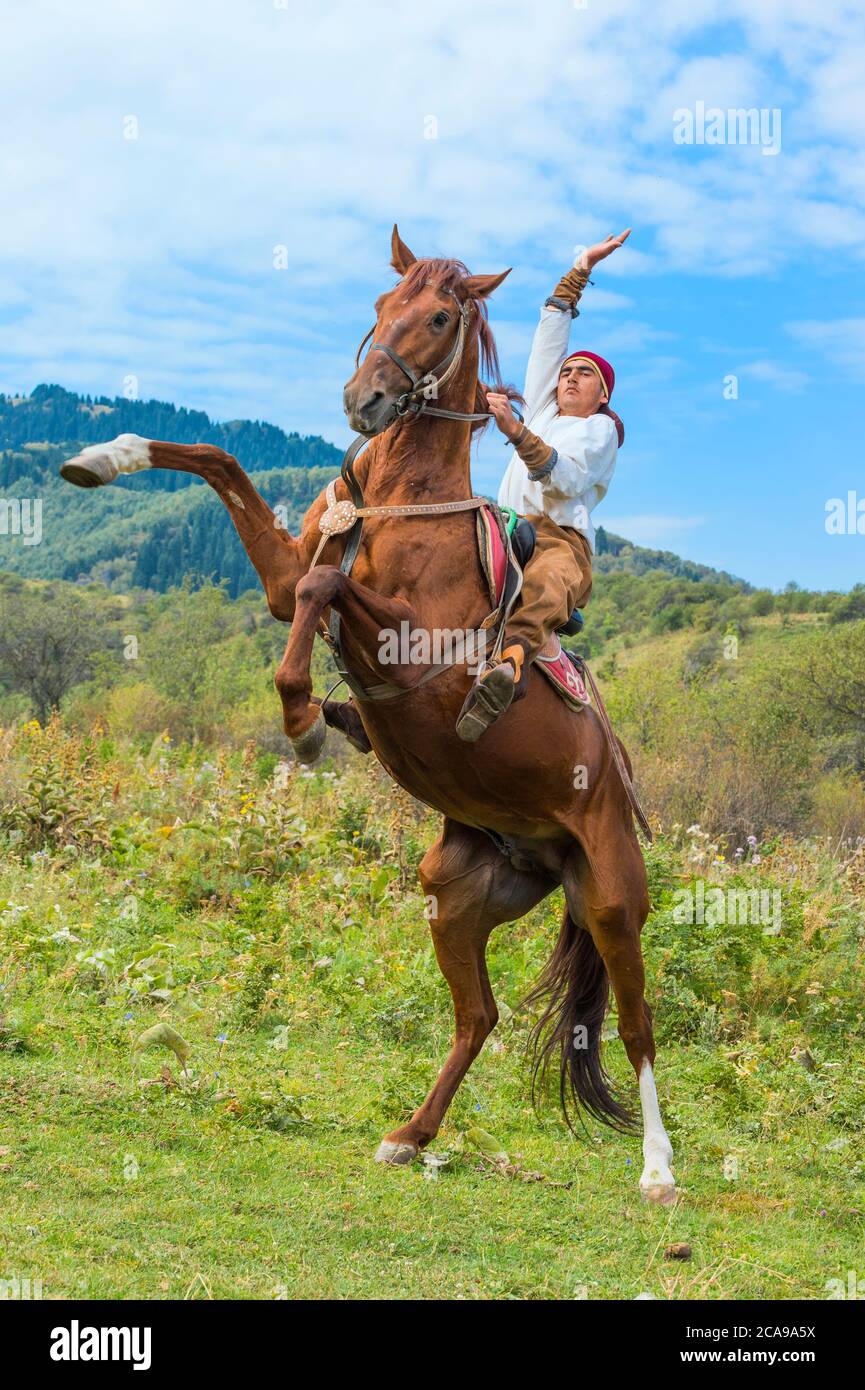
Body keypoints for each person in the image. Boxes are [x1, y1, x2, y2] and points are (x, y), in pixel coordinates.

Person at [455, 229, 630, 742]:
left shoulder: (601, 430)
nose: (571, 375)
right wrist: (582, 267)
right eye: (568, 370)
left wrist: (516, 431)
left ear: (602, 396)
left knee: (546, 584)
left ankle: (505, 669)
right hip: (502, 527)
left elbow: (566, 480)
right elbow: (551, 329)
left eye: (585, 374)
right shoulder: (548, 406)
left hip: (559, 539)